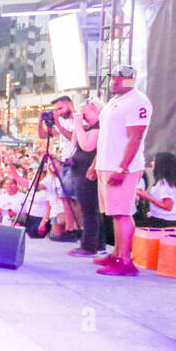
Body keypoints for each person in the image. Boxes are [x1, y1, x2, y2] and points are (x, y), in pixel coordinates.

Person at [93, 65, 152, 276]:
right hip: (106, 165)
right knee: (114, 214)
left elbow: (135, 138)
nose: (115, 81)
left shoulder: (138, 101)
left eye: (121, 78)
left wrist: (122, 167)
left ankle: (125, 261)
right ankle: (117, 254)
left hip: (122, 167)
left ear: (132, 80)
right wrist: (95, 165)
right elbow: (106, 137)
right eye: (113, 77)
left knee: (122, 213)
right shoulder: (114, 102)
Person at [38, 95, 80, 239]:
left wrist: (58, 124)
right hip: (66, 161)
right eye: (56, 110)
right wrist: (40, 122)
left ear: (70, 103)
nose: (59, 112)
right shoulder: (62, 121)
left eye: (60, 108)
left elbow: (75, 139)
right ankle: (70, 228)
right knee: (64, 197)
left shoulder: (79, 119)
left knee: (74, 198)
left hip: (78, 161)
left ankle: (75, 228)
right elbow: (44, 135)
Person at [68, 98, 105, 258]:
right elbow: (75, 142)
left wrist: (77, 124)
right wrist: (78, 125)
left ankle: (89, 246)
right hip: (81, 171)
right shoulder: (89, 127)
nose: (82, 115)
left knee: (89, 211)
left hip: (88, 173)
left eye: (85, 112)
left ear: (94, 110)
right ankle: (98, 244)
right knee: (91, 210)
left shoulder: (99, 127)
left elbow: (87, 146)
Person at [138, 151, 176, 229]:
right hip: (157, 218)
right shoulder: (161, 182)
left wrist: (147, 197)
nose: (152, 163)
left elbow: (168, 206)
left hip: (164, 222)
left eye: (154, 161)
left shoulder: (166, 184)